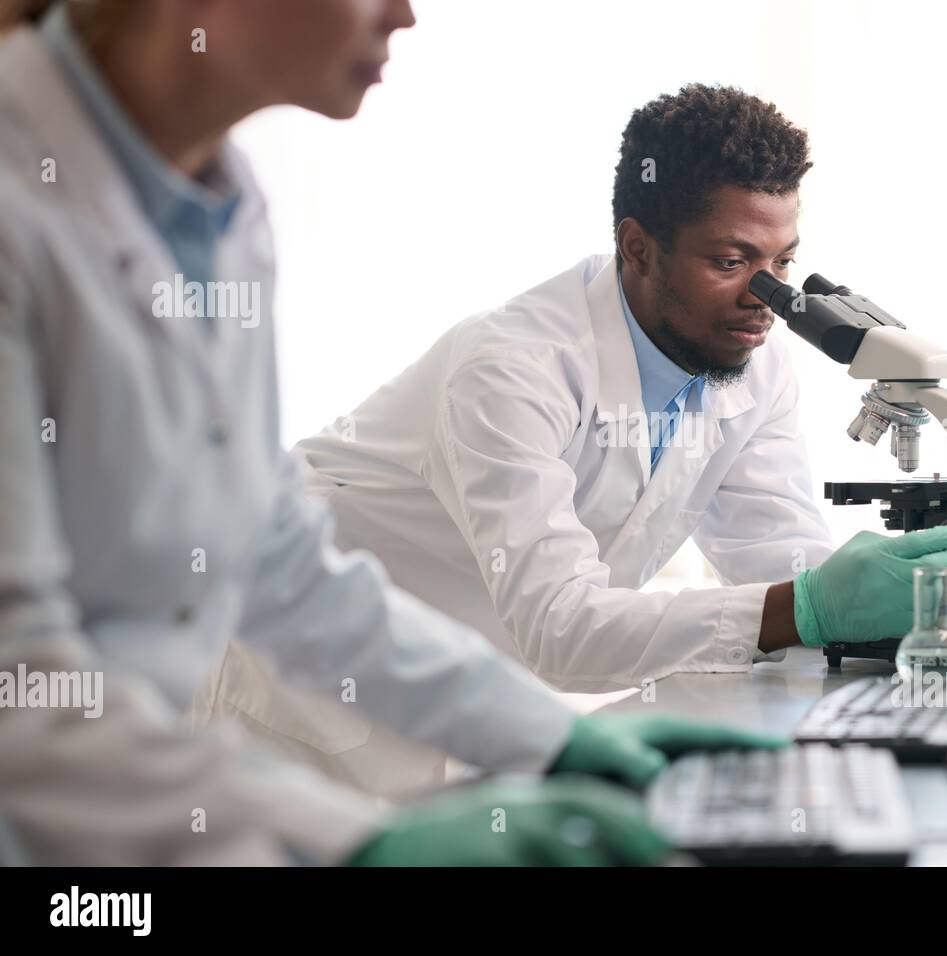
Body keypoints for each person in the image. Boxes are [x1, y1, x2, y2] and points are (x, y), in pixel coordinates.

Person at [0, 0, 778, 866]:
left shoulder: (222, 211)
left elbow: (276, 558)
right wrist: (359, 842)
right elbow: (19, 691)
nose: (405, 14)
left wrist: (549, 740)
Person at [295, 83, 947, 693]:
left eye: (783, 262)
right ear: (639, 248)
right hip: (314, 668)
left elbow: (778, 558)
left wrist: (921, 603)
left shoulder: (754, 364)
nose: (767, 298)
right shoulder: (512, 369)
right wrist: (807, 607)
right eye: (732, 262)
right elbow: (560, 625)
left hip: (466, 678)